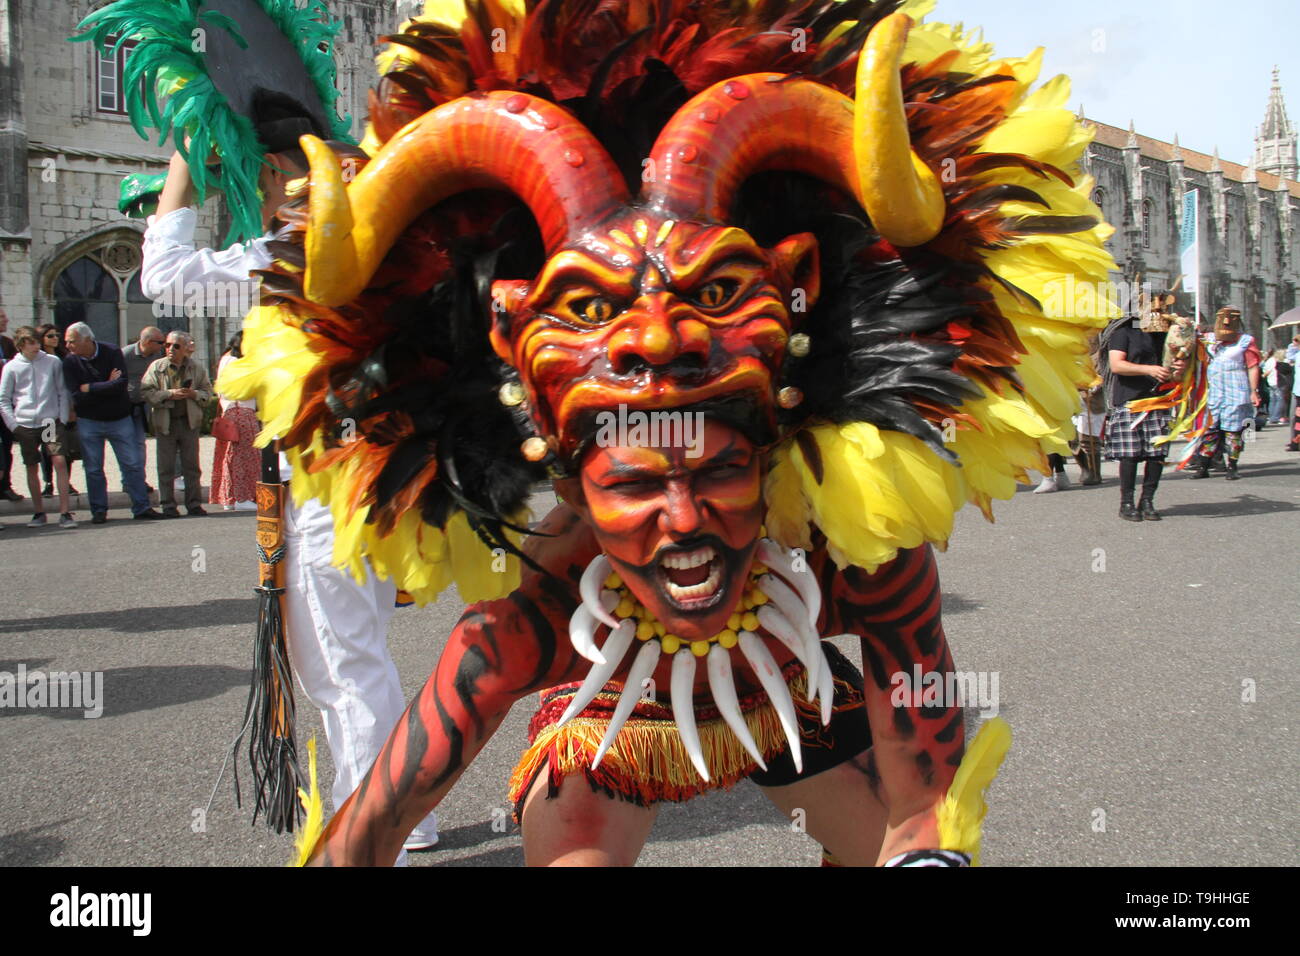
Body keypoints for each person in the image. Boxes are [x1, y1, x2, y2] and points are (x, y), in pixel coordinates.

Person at [142, 140, 438, 853]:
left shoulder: (299, 252)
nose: (256, 182)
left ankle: (376, 830)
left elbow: (167, 277)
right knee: (357, 658)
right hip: (372, 480)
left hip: (327, 485)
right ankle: (400, 813)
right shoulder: (384, 249)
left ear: (292, 184)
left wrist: (185, 167)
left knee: (342, 666)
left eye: (266, 170)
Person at [61, 322, 164, 523]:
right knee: (93, 468)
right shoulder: (70, 362)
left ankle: (141, 507)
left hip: (119, 418)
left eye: (72, 341)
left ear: (87, 340)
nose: (68, 346)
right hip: (89, 421)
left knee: (132, 464)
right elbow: (76, 394)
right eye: (66, 342)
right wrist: (105, 384)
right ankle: (98, 510)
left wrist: (89, 387)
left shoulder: (111, 352)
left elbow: (119, 385)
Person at [1103, 317, 1182, 520]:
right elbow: (1116, 365)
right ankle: (1126, 503)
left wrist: (1178, 370)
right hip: (1130, 401)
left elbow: (1174, 368)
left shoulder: (1166, 335)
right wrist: (1149, 369)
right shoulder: (1123, 332)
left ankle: (1147, 500)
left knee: (1156, 455)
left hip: (1159, 400)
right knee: (1130, 455)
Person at [0, 326, 75, 527]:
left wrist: (62, 417)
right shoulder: (11, 367)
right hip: (24, 424)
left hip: (49, 421)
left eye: (35, 342)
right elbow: (4, 398)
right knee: (31, 465)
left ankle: (65, 512)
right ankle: (39, 511)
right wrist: (13, 425)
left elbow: (61, 391)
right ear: (20, 346)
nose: (35, 346)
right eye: (29, 343)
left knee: (58, 460)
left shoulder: (52, 362)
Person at [139, 330, 210, 516]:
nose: (170, 349)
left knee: (191, 467)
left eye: (176, 346)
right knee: (166, 467)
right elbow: (146, 391)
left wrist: (193, 394)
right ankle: (168, 506)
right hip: (166, 422)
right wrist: (170, 394)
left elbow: (208, 393)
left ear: (186, 349)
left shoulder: (196, 368)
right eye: (167, 345)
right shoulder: (157, 367)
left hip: (189, 423)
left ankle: (194, 504)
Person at [1188, 307, 1260, 481]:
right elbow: (1191, 340)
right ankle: (1203, 466)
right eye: (1223, 318)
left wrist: (1254, 391)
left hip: (1236, 389)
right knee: (1210, 429)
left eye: (1231, 319)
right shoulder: (1210, 339)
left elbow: (1252, 366)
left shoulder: (1245, 341)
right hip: (1215, 390)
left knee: (1233, 431)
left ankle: (1232, 467)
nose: (1227, 322)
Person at [210, 332, 259, 511]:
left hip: (230, 411)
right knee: (244, 456)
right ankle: (242, 497)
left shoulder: (225, 359)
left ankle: (229, 497)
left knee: (230, 457)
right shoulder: (236, 362)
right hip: (242, 411)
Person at [121, 325, 167, 490]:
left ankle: (138, 480)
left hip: (144, 406)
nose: (163, 345)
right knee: (126, 445)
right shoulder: (125, 354)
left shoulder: (158, 355)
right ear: (147, 342)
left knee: (140, 444)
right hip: (125, 407)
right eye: (160, 342)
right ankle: (128, 481)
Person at [0, 307, 21, 502]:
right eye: (1, 317)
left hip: (6, 405)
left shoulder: (7, 344)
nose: (6, 320)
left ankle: (5, 486)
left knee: (6, 447)